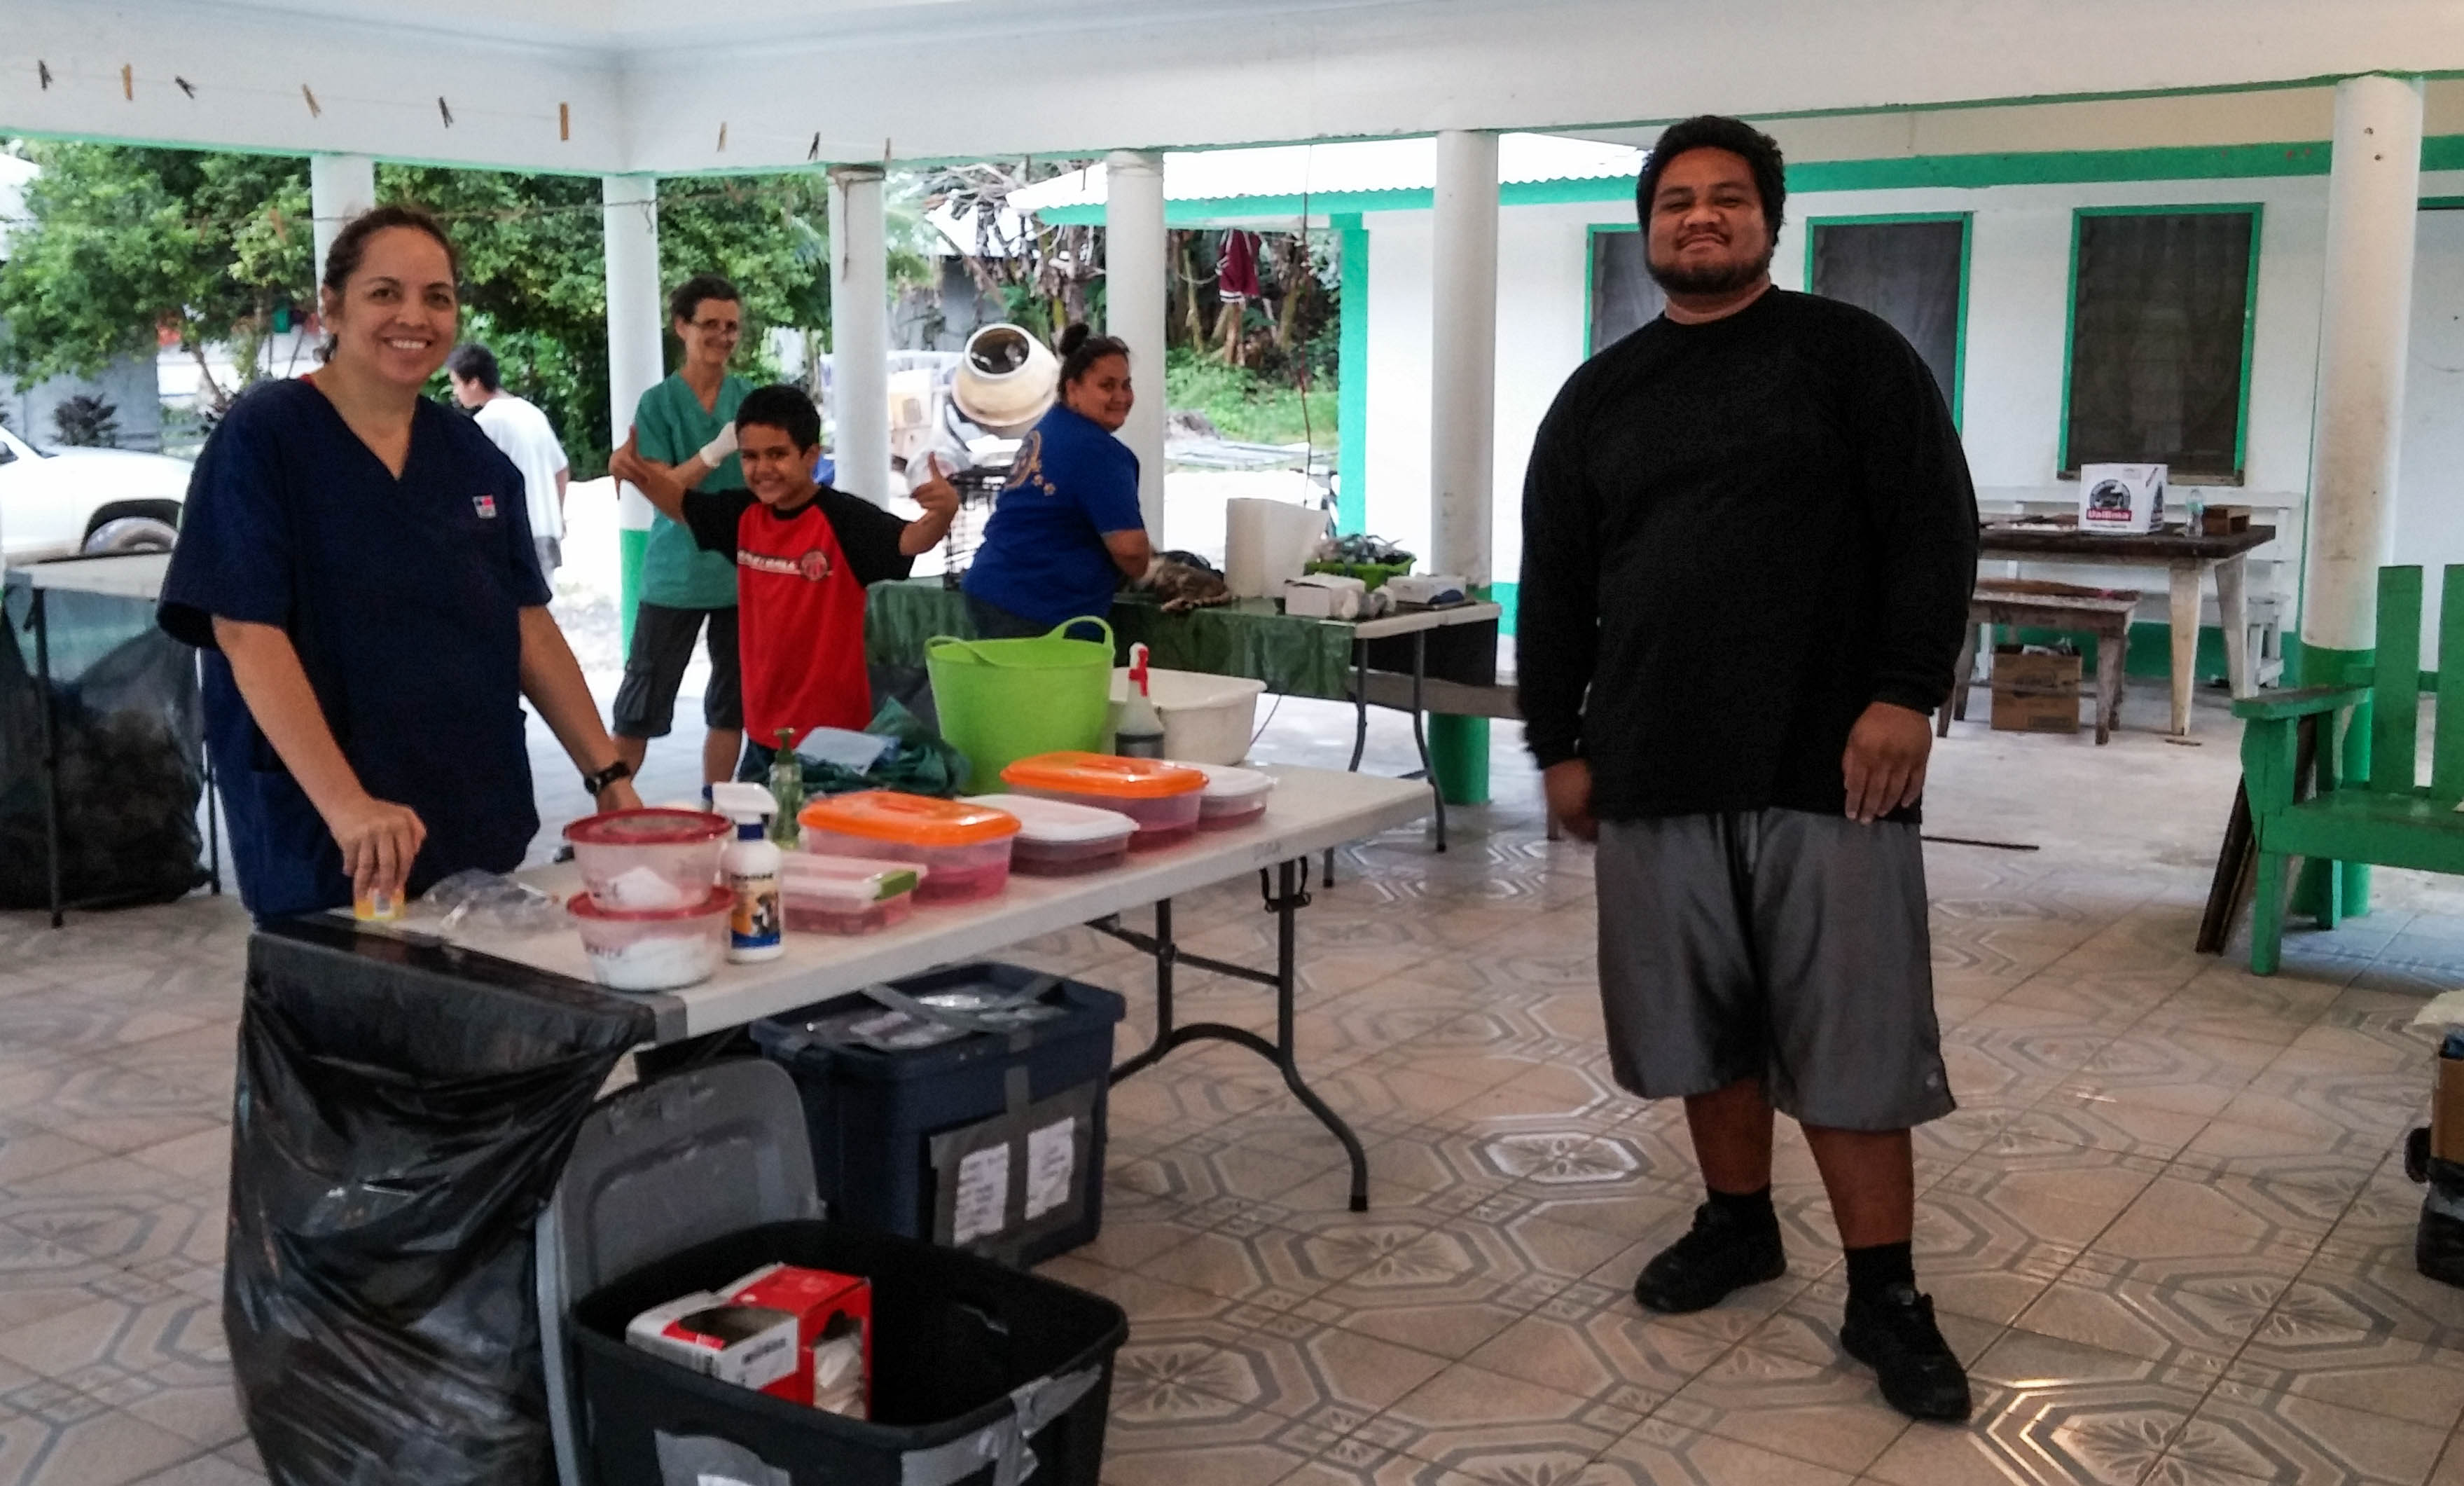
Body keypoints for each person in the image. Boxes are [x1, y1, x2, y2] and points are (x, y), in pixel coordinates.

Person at [1516, 115, 1980, 1422]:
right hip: (1655, 757)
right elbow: (1555, 584)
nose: (1700, 218)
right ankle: (1737, 1222)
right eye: (1675, 202)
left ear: (1771, 222)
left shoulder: (1849, 360)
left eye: (1727, 199)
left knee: (1851, 1034)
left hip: (1829, 761)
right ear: (1647, 227)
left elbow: (1934, 531)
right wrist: (1558, 742)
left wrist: (1902, 693)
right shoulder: (1599, 396)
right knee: (1699, 1022)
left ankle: (1883, 1290)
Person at [159, 205, 641, 920]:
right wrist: (348, 806)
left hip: (470, 812)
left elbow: (524, 621)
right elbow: (245, 632)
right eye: (384, 292)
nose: (413, 316)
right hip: (332, 833)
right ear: (332, 307)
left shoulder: (471, 454)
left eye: (436, 297)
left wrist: (608, 776)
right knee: (351, 1021)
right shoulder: (266, 436)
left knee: (484, 1014)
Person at [609, 384, 958, 777]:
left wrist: (942, 515)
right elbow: (681, 505)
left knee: (818, 835)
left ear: (810, 456)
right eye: (750, 457)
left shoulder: (843, 519)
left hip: (833, 733)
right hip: (763, 730)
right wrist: (637, 472)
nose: (762, 469)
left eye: (777, 454)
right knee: (757, 832)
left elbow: (910, 540)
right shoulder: (742, 516)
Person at [611, 273, 754, 785]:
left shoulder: (752, 398)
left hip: (744, 575)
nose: (722, 335)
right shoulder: (657, 403)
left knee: (731, 706)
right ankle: (612, 813)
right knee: (639, 704)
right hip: (675, 578)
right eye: (710, 324)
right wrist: (718, 450)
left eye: (732, 326)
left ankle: (719, 807)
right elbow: (668, 497)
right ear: (681, 327)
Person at [959, 325, 1153, 639]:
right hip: (1037, 606)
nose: (1121, 397)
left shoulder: (1048, 430)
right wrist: (1152, 568)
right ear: (1073, 389)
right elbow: (1130, 551)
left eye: (1126, 385)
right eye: (1107, 386)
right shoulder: (1097, 451)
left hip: (992, 586)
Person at [446, 342, 570, 579]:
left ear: (473, 382)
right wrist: (558, 515)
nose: (455, 392)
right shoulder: (532, 413)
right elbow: (561, 469)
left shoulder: (486, 423)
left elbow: (473, 482)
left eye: (456, 384)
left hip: (514, 535)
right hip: (547, 528)